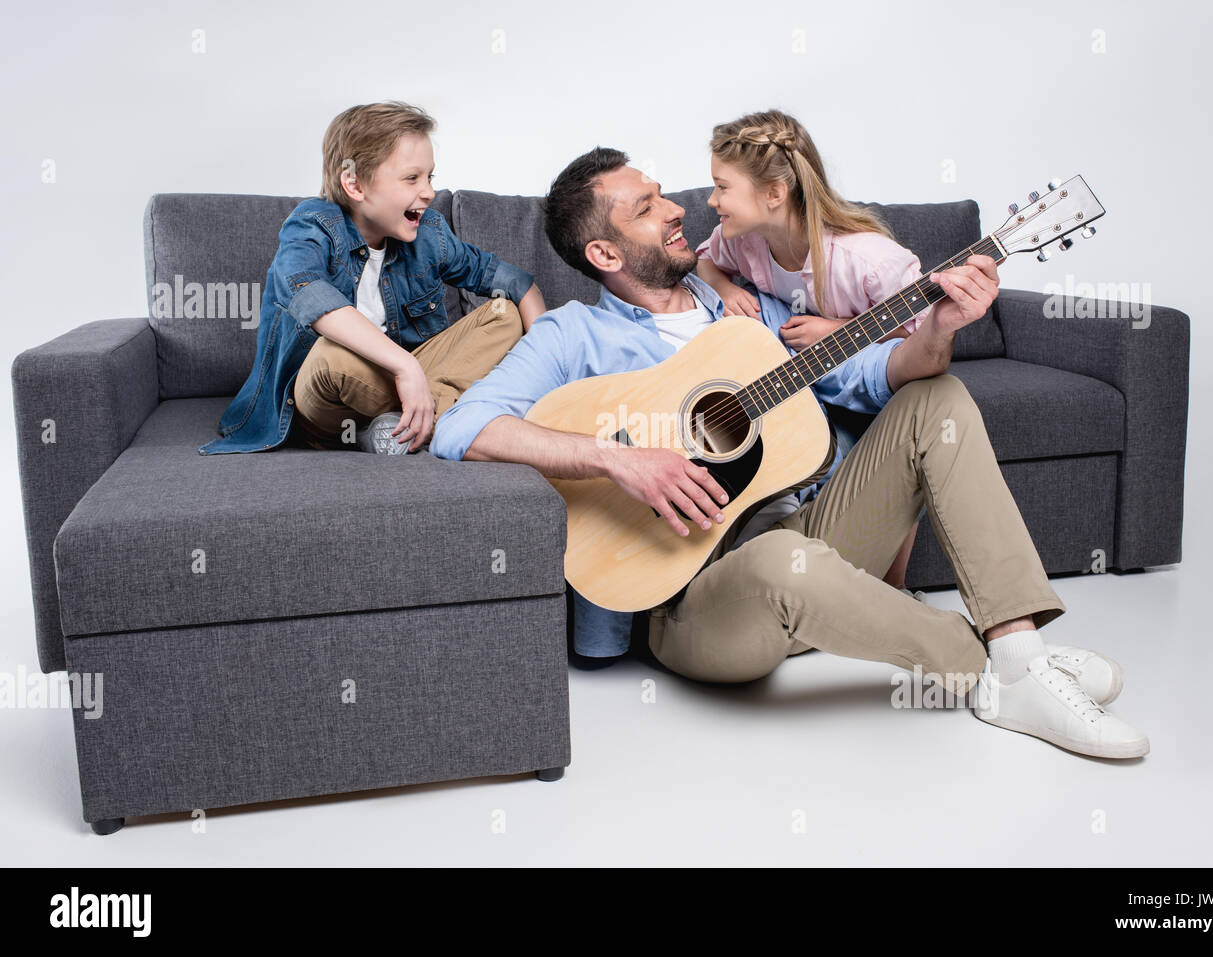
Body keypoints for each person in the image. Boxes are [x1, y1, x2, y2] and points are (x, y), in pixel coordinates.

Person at [431, 146, 1149, 760]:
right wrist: (619, 459)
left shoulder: (746, 314)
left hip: (814, 538)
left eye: (662, 194)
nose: (676, 208)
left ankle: (1019, 651)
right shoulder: (572, 336)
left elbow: (877, 377)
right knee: (780, 563)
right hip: (694, 606)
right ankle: (996, 667)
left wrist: (939, 327)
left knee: (941, 403)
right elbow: (461, 428)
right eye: (647, 207)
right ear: (605, 254)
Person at [200, 101, 545, 456]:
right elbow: (310, 296)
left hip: (409, 383)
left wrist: (545, 363)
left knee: (505, 313)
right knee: (332, 355)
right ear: (354, 184)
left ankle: (401, 426)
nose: (427, 192)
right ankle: (452, 418)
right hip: (335, 396)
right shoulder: (311, 226)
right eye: (412, 178)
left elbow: (518, 285)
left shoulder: (429, 232)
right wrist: (405, 365)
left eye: (430, 177)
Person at [695, 109, 927, 591]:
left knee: (892, 453)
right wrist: (725, 288)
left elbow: (921, 341)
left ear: (775, 194)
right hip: (807, 383)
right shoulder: (746, 241)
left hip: (874, 386)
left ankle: (895, 589)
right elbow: (704, 261)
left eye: (722, 187)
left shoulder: (868, 260)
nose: (712, 200)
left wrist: (840, 328)